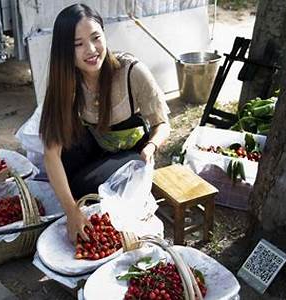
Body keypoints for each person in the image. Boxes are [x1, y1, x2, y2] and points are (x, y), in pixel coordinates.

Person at [39, 3, 171, 244]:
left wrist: (150, 147)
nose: (90, 50)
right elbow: (51, 153)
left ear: (104, 35)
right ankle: (80, 203)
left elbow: (163, 123)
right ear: (64, 51)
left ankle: (87, 197)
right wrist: (71, 212)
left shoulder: (131, 72)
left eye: (95, 38)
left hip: (133, 156)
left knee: (82, 188)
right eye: (77, 44)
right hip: (98, 147)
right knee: (60, 165)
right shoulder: (67, 81)